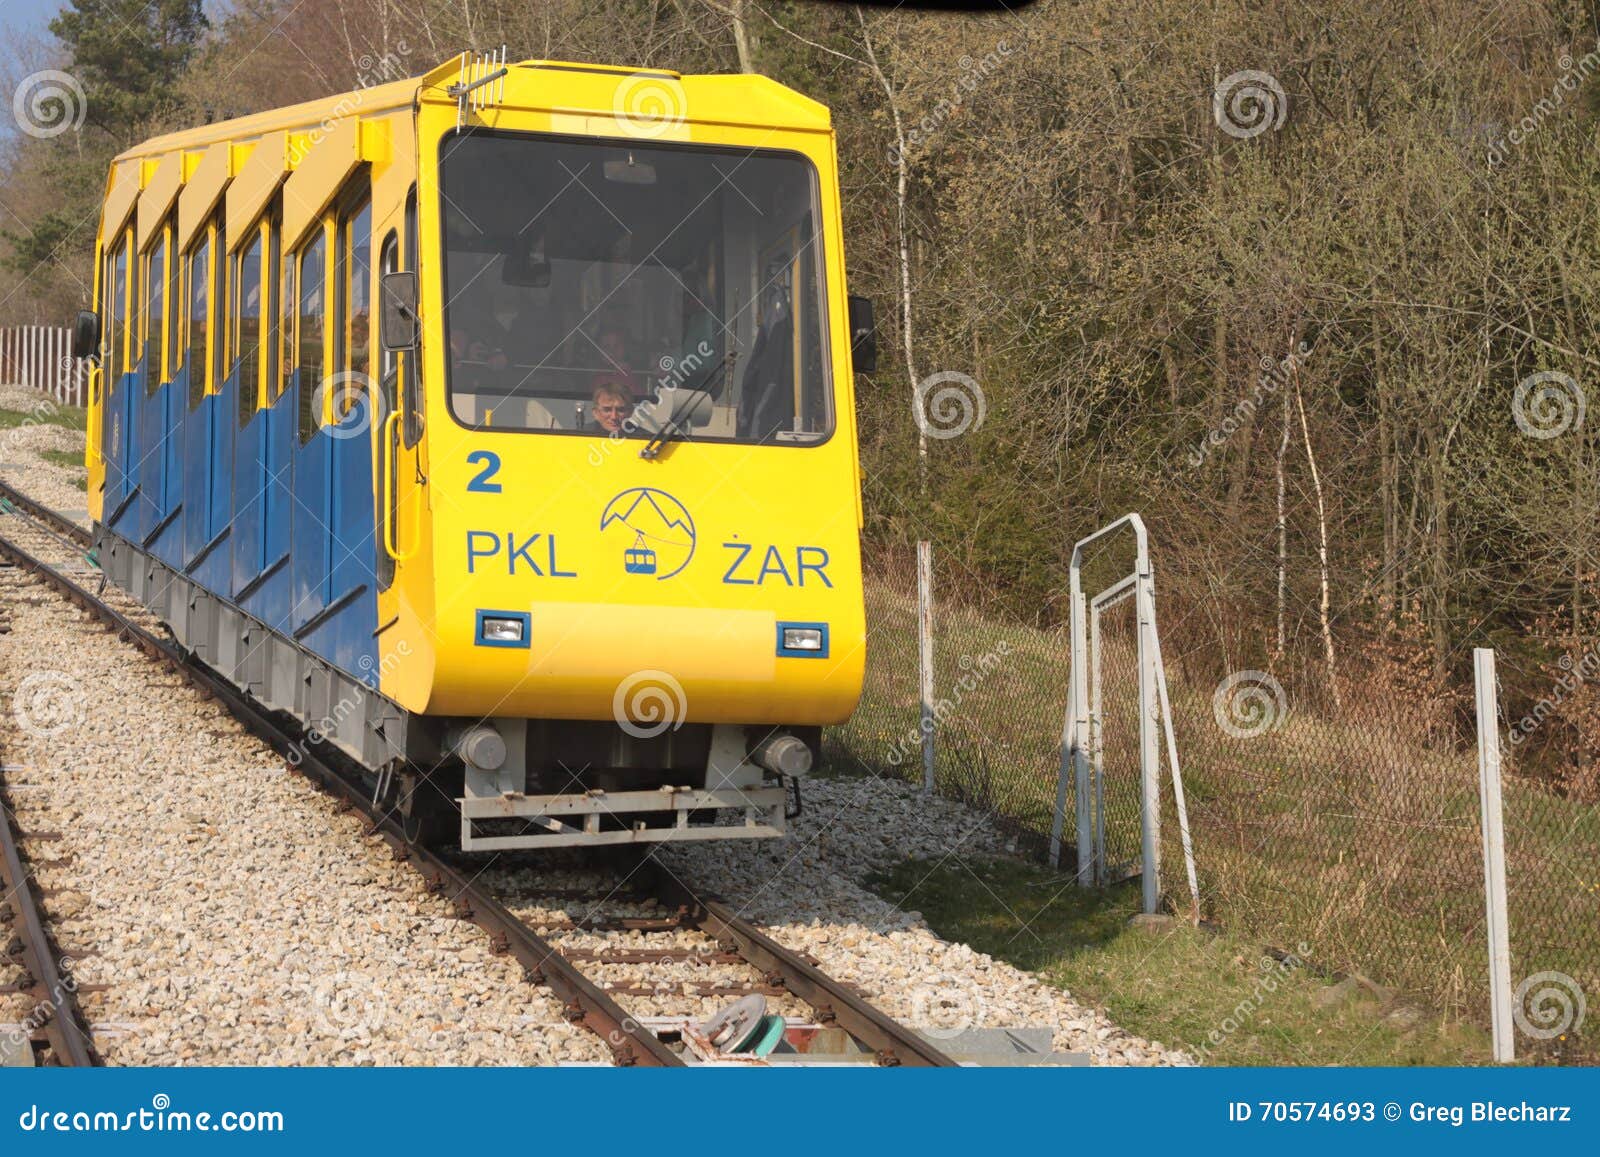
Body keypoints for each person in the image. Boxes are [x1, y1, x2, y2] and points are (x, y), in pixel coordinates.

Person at [591, 329, 637, 401]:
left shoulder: (634, 371)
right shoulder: (594, 374)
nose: (612, 351)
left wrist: (626, 374)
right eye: (606, 346)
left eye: (617, 345)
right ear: (598, 351)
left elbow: (636, 399)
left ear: (625, 348)